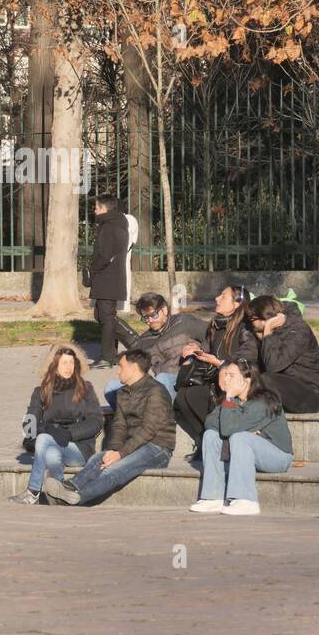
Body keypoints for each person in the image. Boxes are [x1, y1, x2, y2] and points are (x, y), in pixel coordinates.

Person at [40, 349, 174, 506]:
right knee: (99, 458)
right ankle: (70, 487)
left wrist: (121, 454)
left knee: (114, 470)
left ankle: (74, 499)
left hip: (157, 448)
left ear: (133, 368)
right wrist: (113, 449)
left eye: (121, 367)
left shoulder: (156, 391)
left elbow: (149, 430)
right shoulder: (123, 392)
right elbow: (119, 425)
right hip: (135, 445)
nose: (118, 372)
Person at [190, 360, 293, 516]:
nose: (226, 380)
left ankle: (246, 500)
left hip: (278, 456)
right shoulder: (234, 401)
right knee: (211, 435)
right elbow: (210, 422)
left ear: (247, 379)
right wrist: (234, 419)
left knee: (240, 437)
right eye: (225, 375)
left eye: (231, 375)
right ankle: (213, 498)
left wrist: (229, 401)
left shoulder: (263, 401)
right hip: (247, 454)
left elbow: (228, 428)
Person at [8, 343, 104, 504]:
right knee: (50, 452)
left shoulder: (85, 388)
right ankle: (58, 493)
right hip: (50, 441)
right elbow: (30, 419)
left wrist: (69, 433)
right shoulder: (41, 390)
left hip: (78, 446)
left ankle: (32, 492)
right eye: (64, 363)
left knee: (44, 440)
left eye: (72, 362)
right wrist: (34, 435)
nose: (69, 367)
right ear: (54, 365)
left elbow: (96, 421)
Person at [173, 284, 258, 462]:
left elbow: (247, 360)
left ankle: (220, 443)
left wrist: (220, 363)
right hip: (213, 378)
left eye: (223, 296)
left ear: (237, 303)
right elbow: (206, 348)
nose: (216, 299)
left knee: (197, 395)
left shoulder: (245, 327)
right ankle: (206, 440)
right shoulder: (216, 325)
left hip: (237, 383)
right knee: (182, 397)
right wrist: (195, 348)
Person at [107, 292, 207, 407]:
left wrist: (200, 350)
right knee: (111, 387)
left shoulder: (184, 321)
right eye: (145, 317)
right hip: (160, 384)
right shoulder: (144, 340)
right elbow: (138, 368)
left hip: (187, 378)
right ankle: (132, 419)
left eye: (153, 315)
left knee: (162, 378)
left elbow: (212, 335)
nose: (150, 320)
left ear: (164, 310)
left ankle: (159, 419)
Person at [247, 294, 319, 414]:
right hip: (281, 388)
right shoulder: (259, 332)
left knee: (266, 379)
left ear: (265, 318)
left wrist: (268, 331)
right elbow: (248, 356)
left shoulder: (298, 331)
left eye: (252, 319)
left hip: (309, 394)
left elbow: (273, 366)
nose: (250, 323)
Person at [87, 194, 131, 369]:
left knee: (105, 317)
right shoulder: (117, 224)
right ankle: (128, 343)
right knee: (104, 316)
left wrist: (92, 269)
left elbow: (105, 255)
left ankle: (108, 356)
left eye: (97, 207)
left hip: (107, 278)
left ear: (105, 209)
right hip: (112, 277)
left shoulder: (108, 227)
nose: (95, 210)